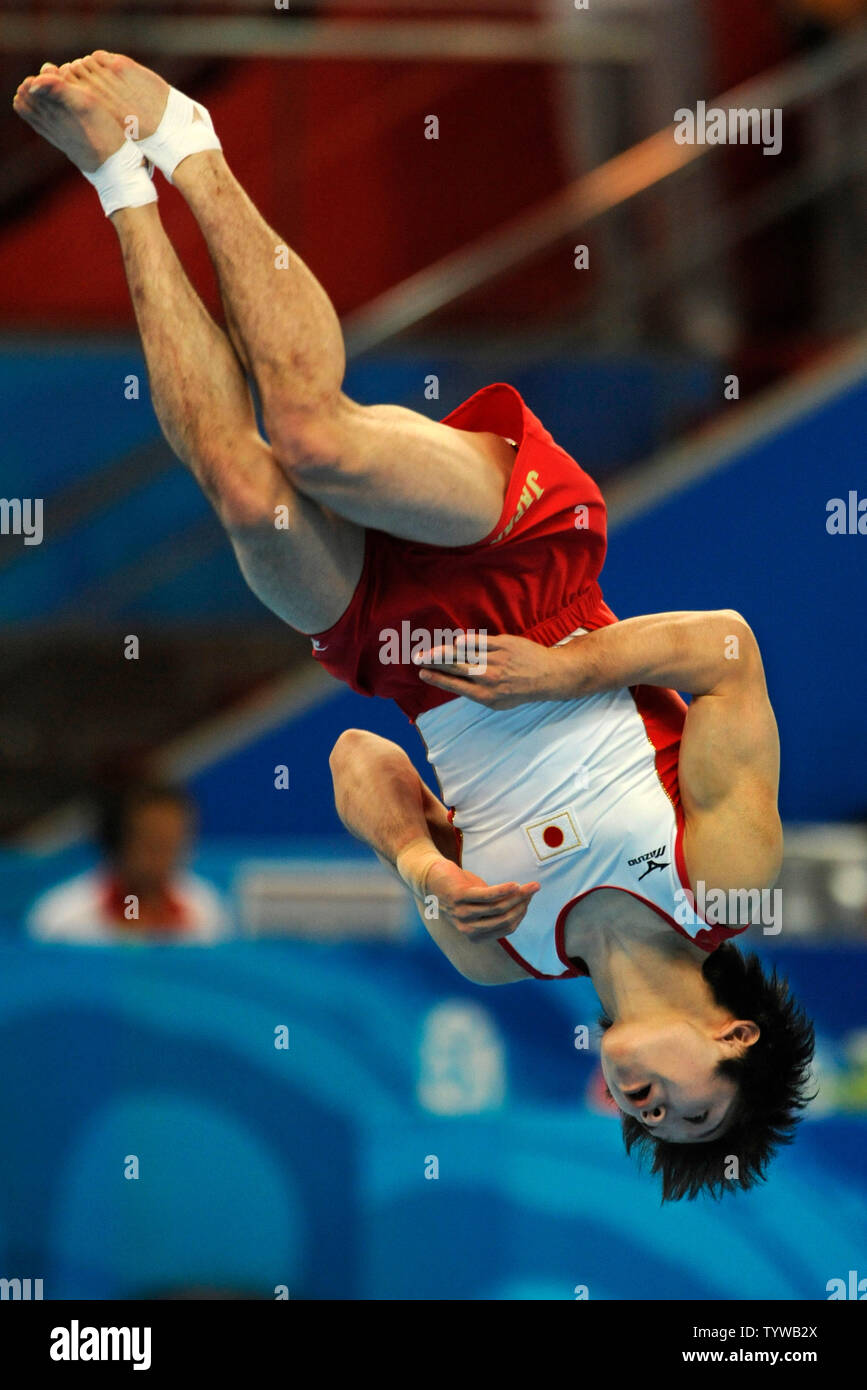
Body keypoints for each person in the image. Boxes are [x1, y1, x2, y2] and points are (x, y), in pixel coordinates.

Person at [14, 54, 814, 1197]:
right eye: (692, 1108)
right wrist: (563, 669)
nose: (649, 1106)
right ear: (736, 1041)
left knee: (243, 490)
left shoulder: (498, 953)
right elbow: (729, 649)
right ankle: (189, 135)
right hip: (531, 574)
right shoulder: (726, 883)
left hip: (407, 666)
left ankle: (120, 181)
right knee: (314, 436)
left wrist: (414, 861)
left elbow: (356, 760)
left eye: (649, 1124)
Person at [28, 780, 228, 943]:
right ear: (117, 840)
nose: (165, 856)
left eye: (174, 842)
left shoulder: (205, 912)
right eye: (152, 842)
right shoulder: (64, 920)